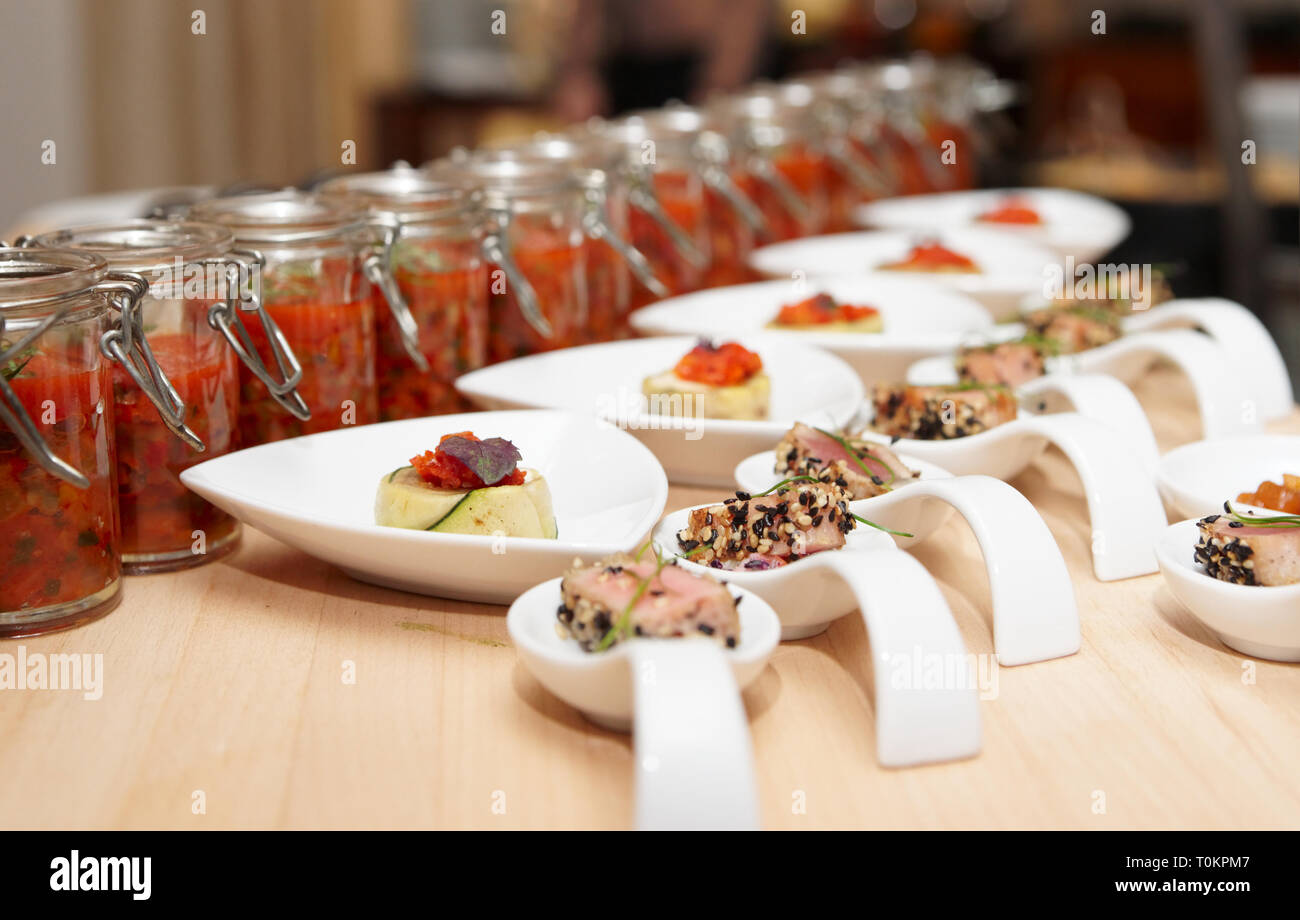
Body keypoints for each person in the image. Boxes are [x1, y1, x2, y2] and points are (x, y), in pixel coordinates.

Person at [551, 0, 771, 120]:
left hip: (699, 72)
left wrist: (722, 81)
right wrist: (579, 70)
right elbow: (589, 12)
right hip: (628, 74)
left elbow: (746, 10)